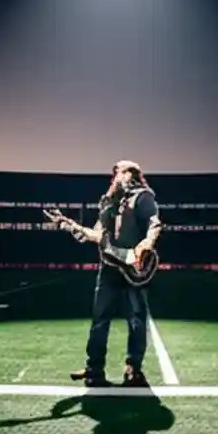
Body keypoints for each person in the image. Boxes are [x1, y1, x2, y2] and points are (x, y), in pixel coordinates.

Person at [45, 160, 163, 387]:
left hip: (133, 268)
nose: (115, 176)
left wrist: (147, 243)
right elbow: (97, 234)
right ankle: (94, 369)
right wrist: (68, 224)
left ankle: (133, 370)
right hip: (108, 268)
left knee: (136, 320)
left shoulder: (143, 197)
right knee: (100, 319)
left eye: (119, 171)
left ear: (131, 174)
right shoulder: (109, 203)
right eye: (115, 173)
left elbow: (154, 223)